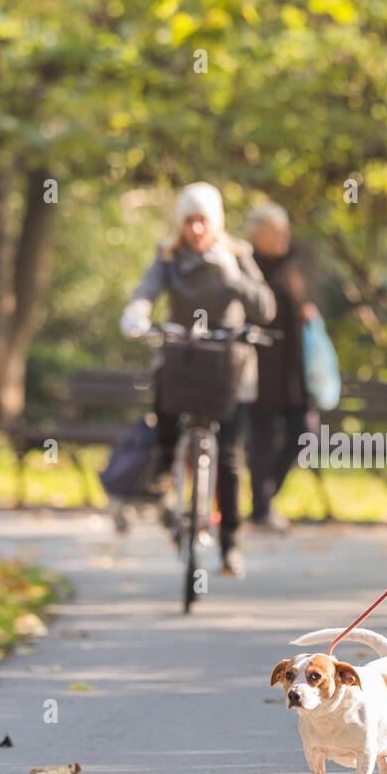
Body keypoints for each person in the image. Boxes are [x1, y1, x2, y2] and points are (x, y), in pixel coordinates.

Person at [119, 181, 276, 576]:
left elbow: (266, 309)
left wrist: (234, 277)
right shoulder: (169, 256)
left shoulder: (238, 254)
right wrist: (135, 315)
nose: (196, 230)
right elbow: (146, 291)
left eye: (202, 221)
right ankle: (163, 491)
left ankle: (230, 544)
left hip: (230, 368)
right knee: (167, 426)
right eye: (189, 221)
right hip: (184, 361)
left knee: (228, 455)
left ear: (215, 221)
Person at [245, 202, 321, 533]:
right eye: (276, 231)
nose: (283, 236)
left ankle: (263, 499)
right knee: (259, 442)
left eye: (285, 230)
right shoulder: (245, 266)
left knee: (305, 433)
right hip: (259, 374)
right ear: (256, 234)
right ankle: (261, 508)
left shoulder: (290, 265)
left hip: (293, 375)